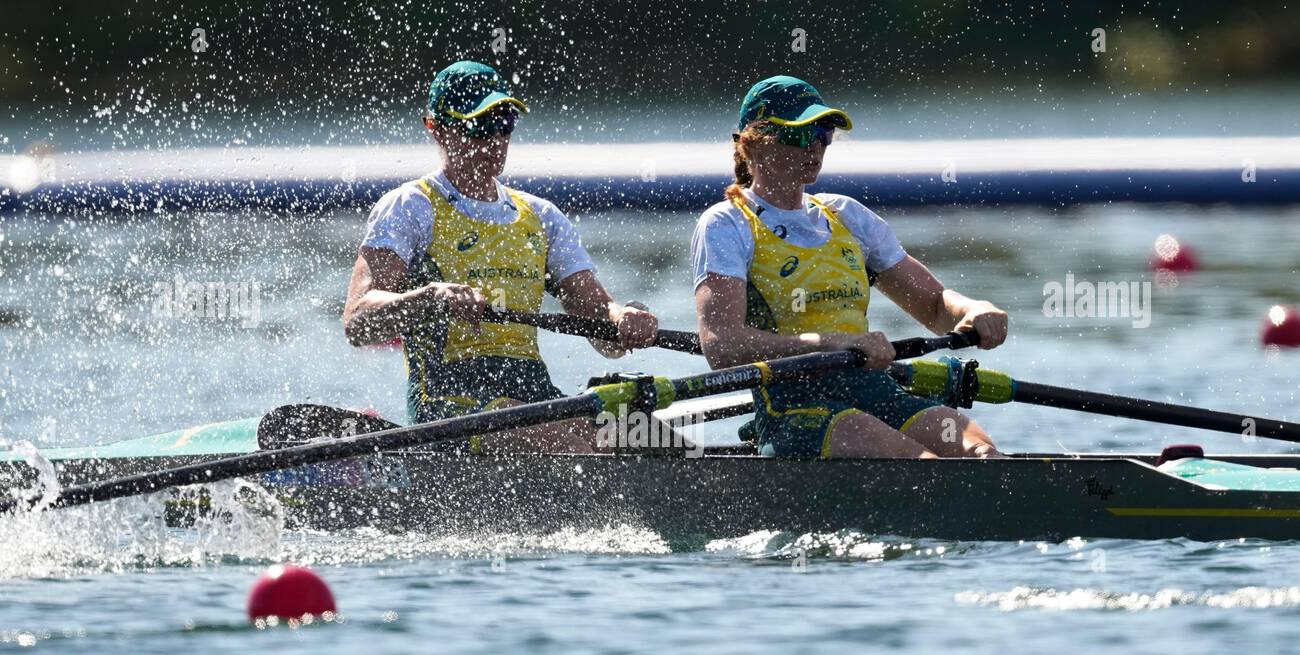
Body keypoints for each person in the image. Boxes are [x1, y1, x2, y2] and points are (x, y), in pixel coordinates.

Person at [343, 61, 658, 451]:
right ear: (436, 128)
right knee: (587, 442)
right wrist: (432, 297)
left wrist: (621, 318)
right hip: (450, 409)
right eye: (478, 125)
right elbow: (358, 322)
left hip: (534, 396)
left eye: (503, 122)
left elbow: (599, 325)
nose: (494, 138)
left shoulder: (541, 217)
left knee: (646, 433)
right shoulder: (411, 206)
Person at [692, 75, 1009, 459]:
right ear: (753, 145)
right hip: (793, 410)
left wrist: (974, 310)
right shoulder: (728, 224)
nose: (816, 147)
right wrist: (832, 342)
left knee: (980, 452)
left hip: (873, 391)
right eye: (800, 134)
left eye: (823, 133)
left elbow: (937, 307)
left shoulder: (847, 216)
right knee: (924, 465)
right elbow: (723, 346)